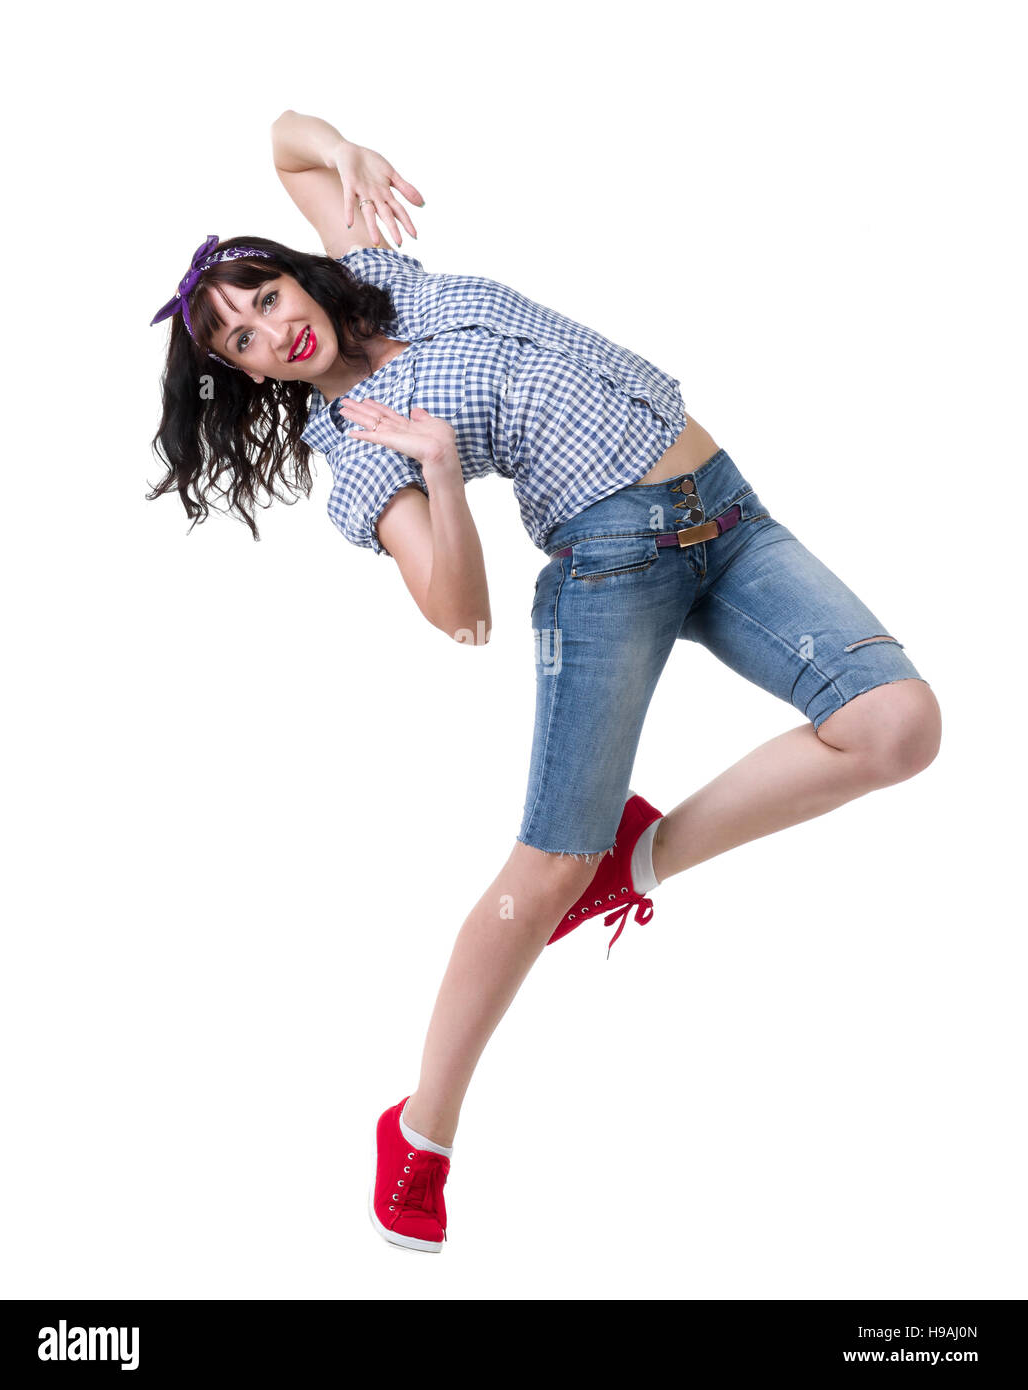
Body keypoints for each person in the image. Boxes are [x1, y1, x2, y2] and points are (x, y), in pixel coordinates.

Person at [148, 110, 942, 1254]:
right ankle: (419, 1134)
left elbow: (285, 141)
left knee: (896, 725)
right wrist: (438, 469)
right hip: (608, 566)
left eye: (265, 299)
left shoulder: (377, 274)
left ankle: (643, 855)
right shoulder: (360, 449)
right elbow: (456, 614)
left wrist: (348, 152)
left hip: (723, 507)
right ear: (242, 375)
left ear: (295, 280)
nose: (269, 331)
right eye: (237, 340)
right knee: (541, 872)